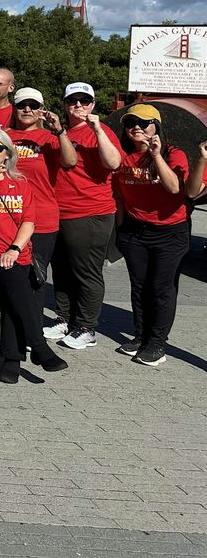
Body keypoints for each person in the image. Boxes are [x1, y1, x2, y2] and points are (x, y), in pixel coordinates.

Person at [0, 127, 68, 384]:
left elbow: (29, 221)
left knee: (14, 286)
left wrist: (15, 249)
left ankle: (12, 359)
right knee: (13, 278)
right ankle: (37, 346)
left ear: (7, 153)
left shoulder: (21, 182)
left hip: (15, 252)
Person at [46, 83, 122, 351]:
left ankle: (87, 327)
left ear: (93, 104)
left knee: (86, 272)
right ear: (65, 104)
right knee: (62, 270)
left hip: (90, 212)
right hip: (59, 211)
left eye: (84, 101)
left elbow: (114, 163)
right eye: (73, 101)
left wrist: (98, 129)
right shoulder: (60, 131)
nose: (78, 105)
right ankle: (64, 319)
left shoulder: (101, 131)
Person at [113, 104, 190, 367]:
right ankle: (141, 336)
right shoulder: (122, 156)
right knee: (139, 287)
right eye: (130, 123)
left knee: (161, 288)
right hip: (134, 231)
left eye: (144, 123)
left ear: (156, 127)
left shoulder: (173, 153)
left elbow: (174, 188)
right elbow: (119, 196)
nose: (136, 127)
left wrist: (156, 156)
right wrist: (120, 231)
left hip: (170, 232)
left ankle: (157, 343)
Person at [6, 88, 76, 313]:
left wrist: (60, 131)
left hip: (41, 218)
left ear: (41, 110)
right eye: (22, 105)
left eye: (33, 105)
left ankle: (32, 327)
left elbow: (70, 161)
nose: (27, 109)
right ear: (14, 109)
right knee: (9, 274)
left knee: (35, 277)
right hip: (7, 216)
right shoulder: (3, 137)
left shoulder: (49, 138)